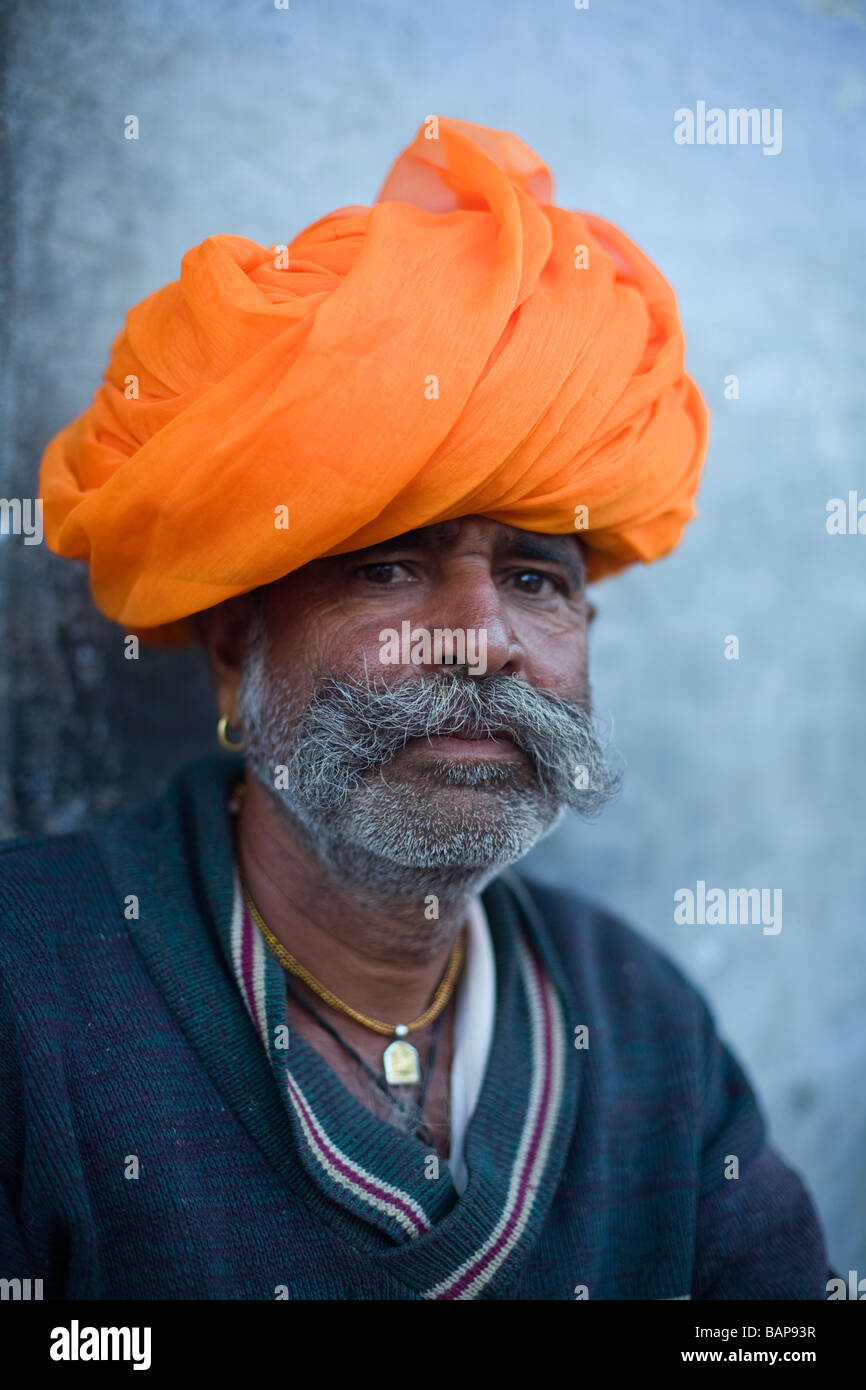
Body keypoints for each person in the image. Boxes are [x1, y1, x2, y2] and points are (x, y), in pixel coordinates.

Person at [0, 117, 829, 1300]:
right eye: (388, 567)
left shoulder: (646, 1030)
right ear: (236, 641)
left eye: (535, 578)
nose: (481, 638)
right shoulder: (28, 989)